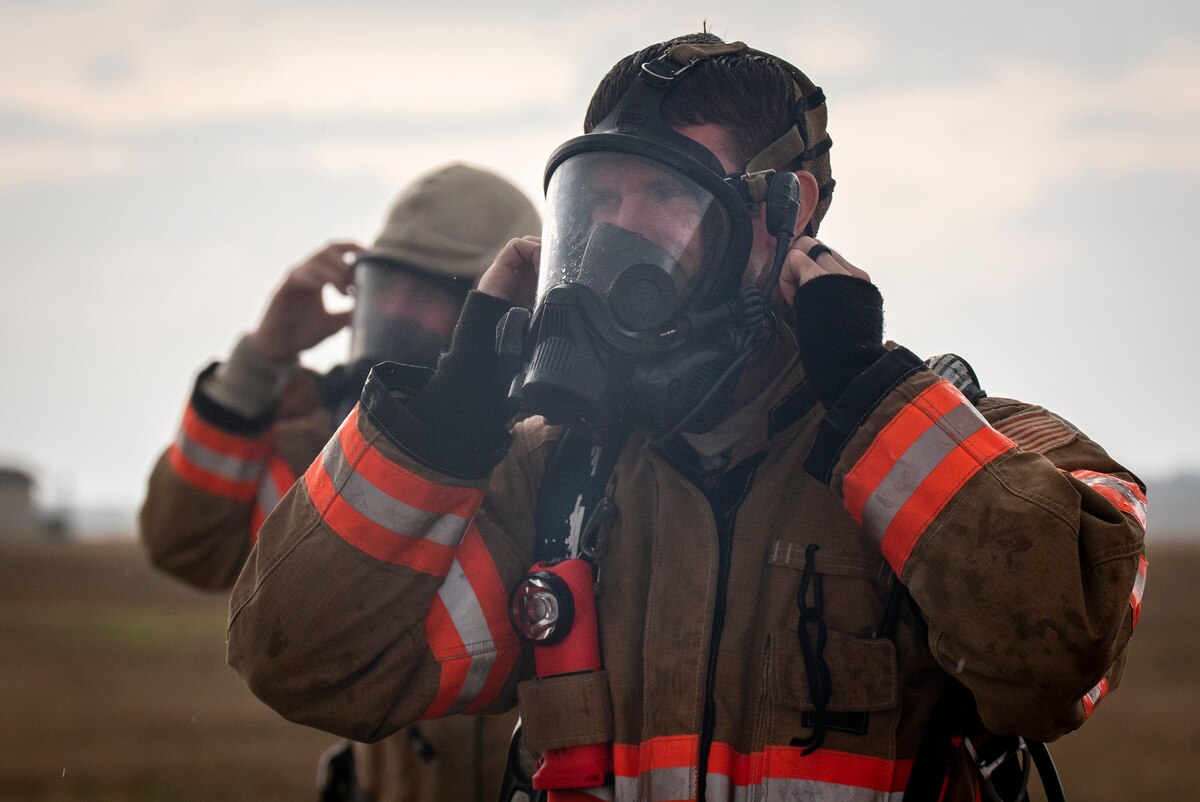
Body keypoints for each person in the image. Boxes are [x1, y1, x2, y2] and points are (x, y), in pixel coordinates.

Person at [225, 35, 1149, 802]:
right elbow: (305, 661)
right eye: (601, 198)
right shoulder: (558, 487)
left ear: (784, 218)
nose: (622, 232)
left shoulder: (970, 454)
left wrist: (873, 397)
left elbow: (1056, 658)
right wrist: (445, 422)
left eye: (665, 195)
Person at [139, 162, 541, 802]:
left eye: (429, 292)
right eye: (384, 286)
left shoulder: (556, 455)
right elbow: (185, 543)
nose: (395, 309)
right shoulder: (339, 447)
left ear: (507, 305)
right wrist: (261, 360)